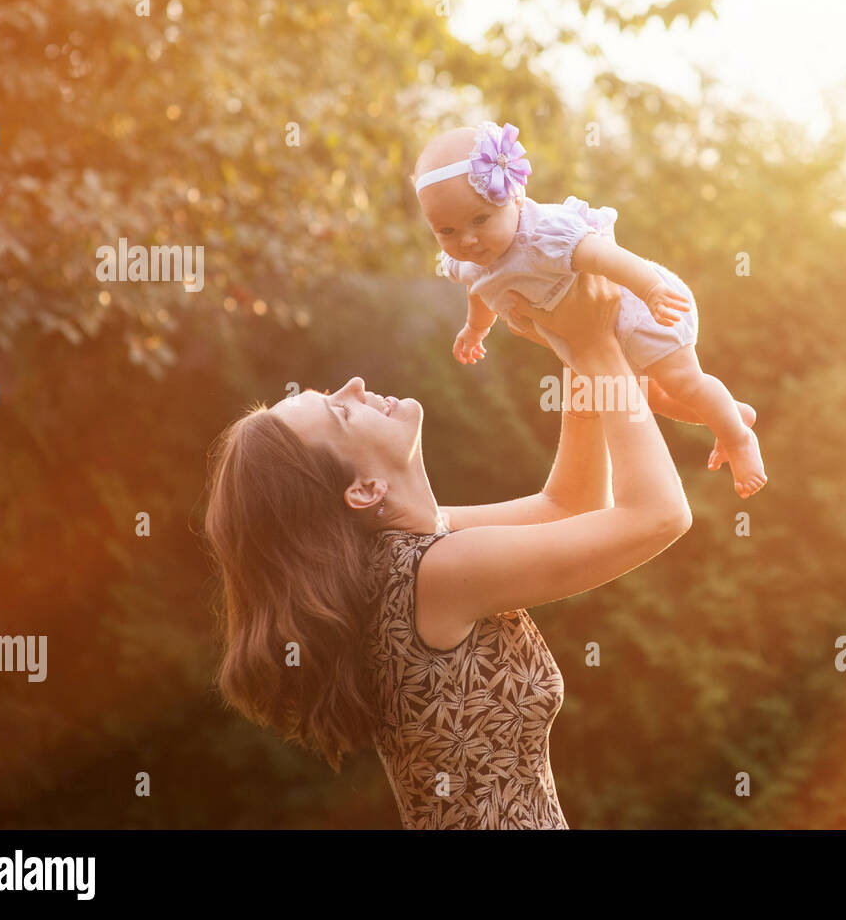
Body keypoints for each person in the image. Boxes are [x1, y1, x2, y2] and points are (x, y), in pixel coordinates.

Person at [202, 272, 692, 829]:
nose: (356, 386)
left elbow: (569, 506)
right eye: (340, 412)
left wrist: (577, 345)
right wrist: (601, 350)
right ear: (363, 490)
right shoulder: (434, 573)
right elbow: (659, 516)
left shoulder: (408, 555)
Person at [412, 119, 768, 499]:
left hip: (638, 311)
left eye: (480, 219)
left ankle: (739, 439)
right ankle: (729, 415)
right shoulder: (469, 260)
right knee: (651, 397)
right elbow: (479, 290)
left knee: (683, 381)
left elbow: (605, 257)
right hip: (598, 337)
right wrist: (476, 329)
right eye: (446, 231)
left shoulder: (543, 234)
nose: (466, 240)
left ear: (515, 196)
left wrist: (650, 290)